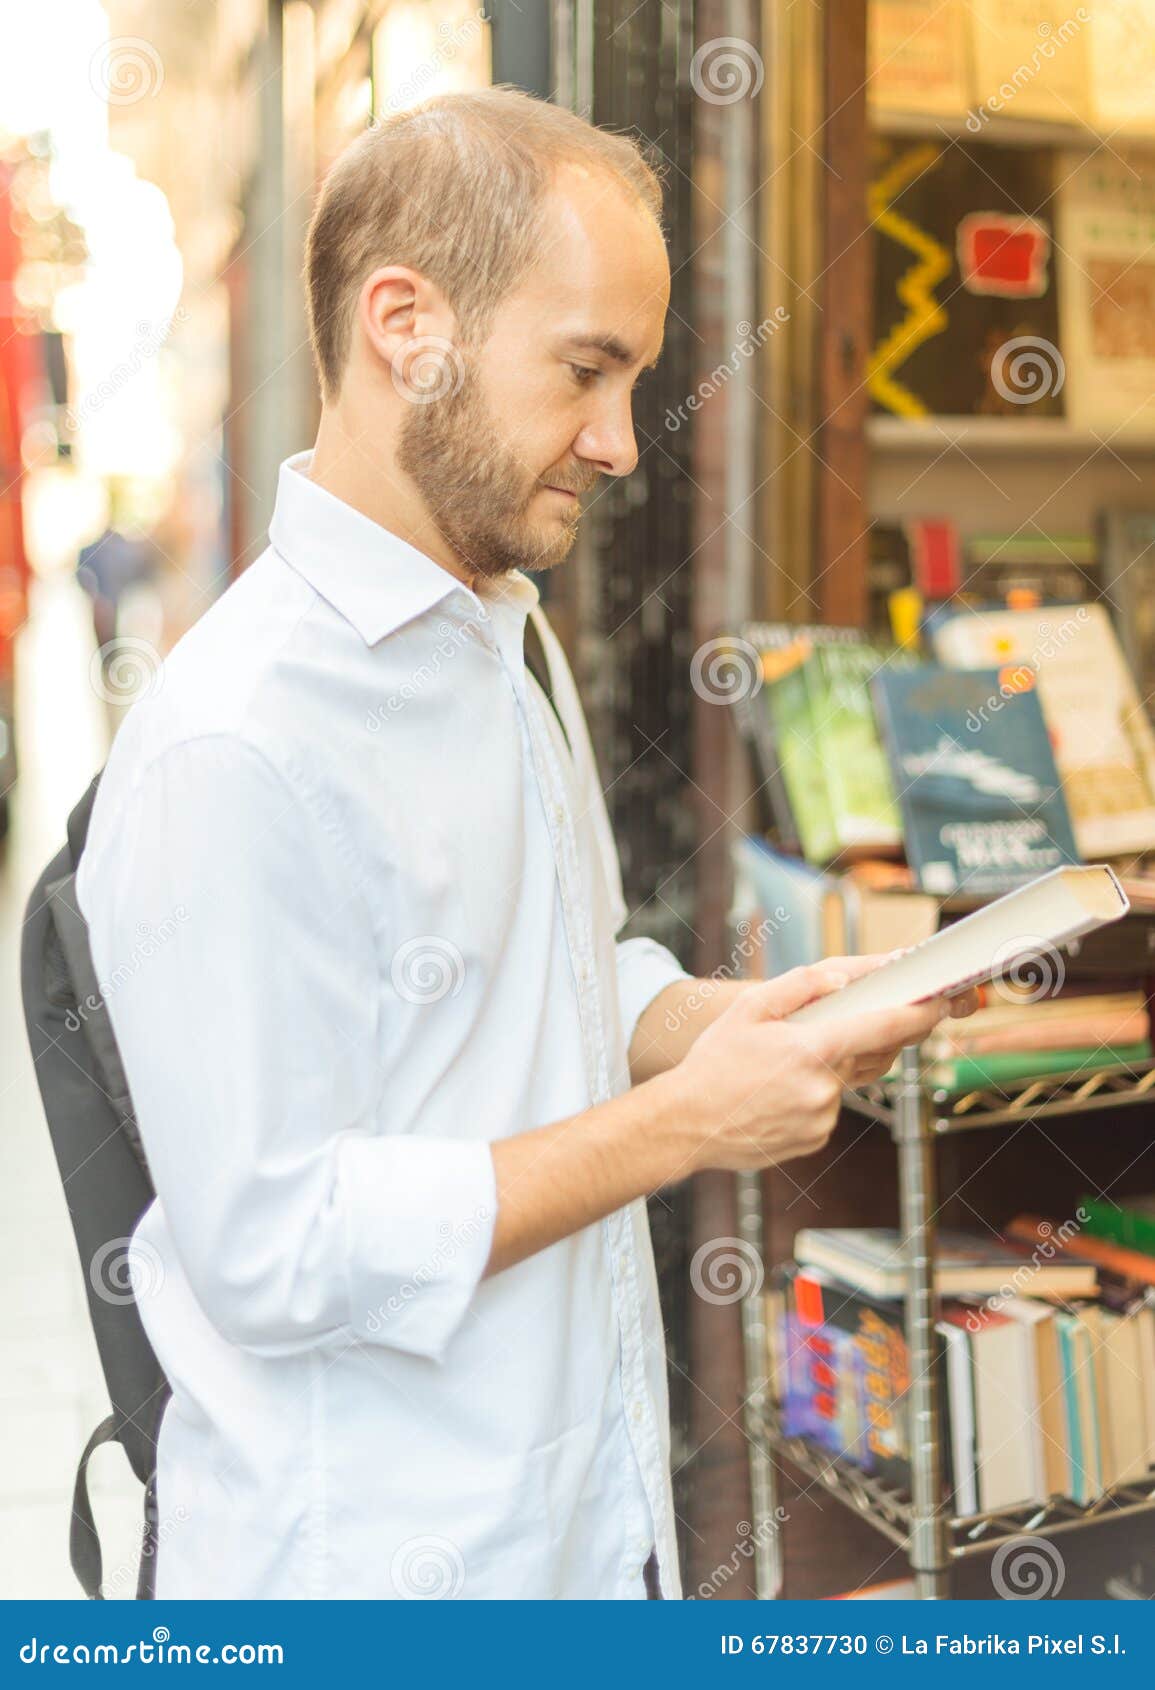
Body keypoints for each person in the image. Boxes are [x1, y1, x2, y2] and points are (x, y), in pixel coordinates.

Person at [76, 86, 975, 1601]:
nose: (623, 440)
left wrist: (735, 1023)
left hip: (583, 1531)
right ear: (403, 324)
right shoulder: (230, 737)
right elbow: (274, 1241)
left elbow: (567, 974)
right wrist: (692, 1124)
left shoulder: (507, 634)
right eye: (585, 371)